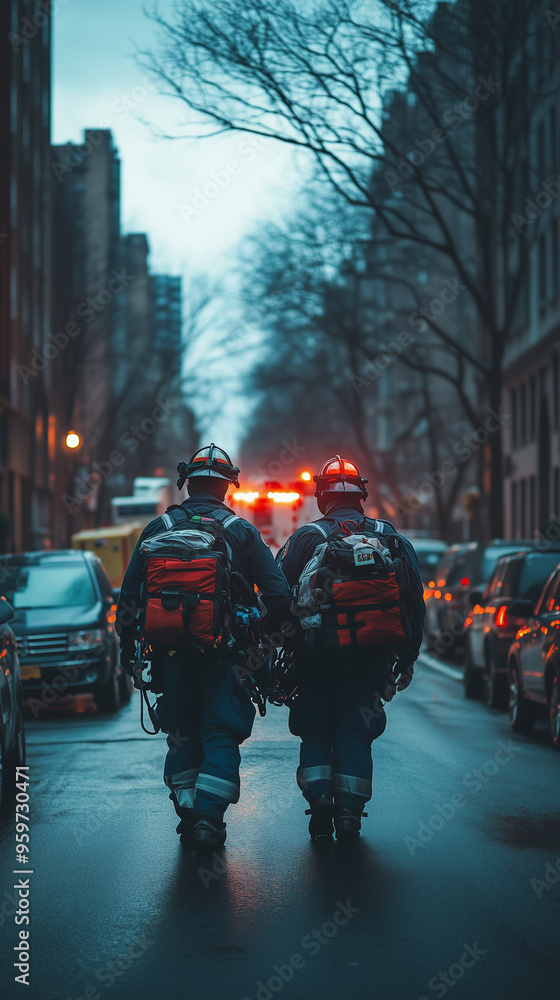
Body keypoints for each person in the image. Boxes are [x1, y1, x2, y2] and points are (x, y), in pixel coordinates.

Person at [116, 444, 293, 852]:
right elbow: (278, 594)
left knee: (181, 731)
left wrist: (128, 648)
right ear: (227, 488)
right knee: (220, 731)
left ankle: (188, 807)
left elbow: (129, 598)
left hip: (169, 655)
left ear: (187, 484)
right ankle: (209, 820)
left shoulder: (157, 529)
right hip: (226, 657)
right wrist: (269, 635)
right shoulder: (241, 531)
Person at [277, 456, 425, 841]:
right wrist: (407, 658)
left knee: (315, 728)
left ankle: (320, 798)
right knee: (356, 730)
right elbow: (414, 600)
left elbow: (277, 596)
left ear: (321, 497)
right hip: (372, 658)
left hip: (315, 658)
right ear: (362, 495)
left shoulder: (305, 538)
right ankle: (349, 814)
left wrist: (281, 648)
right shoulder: (390, 536)